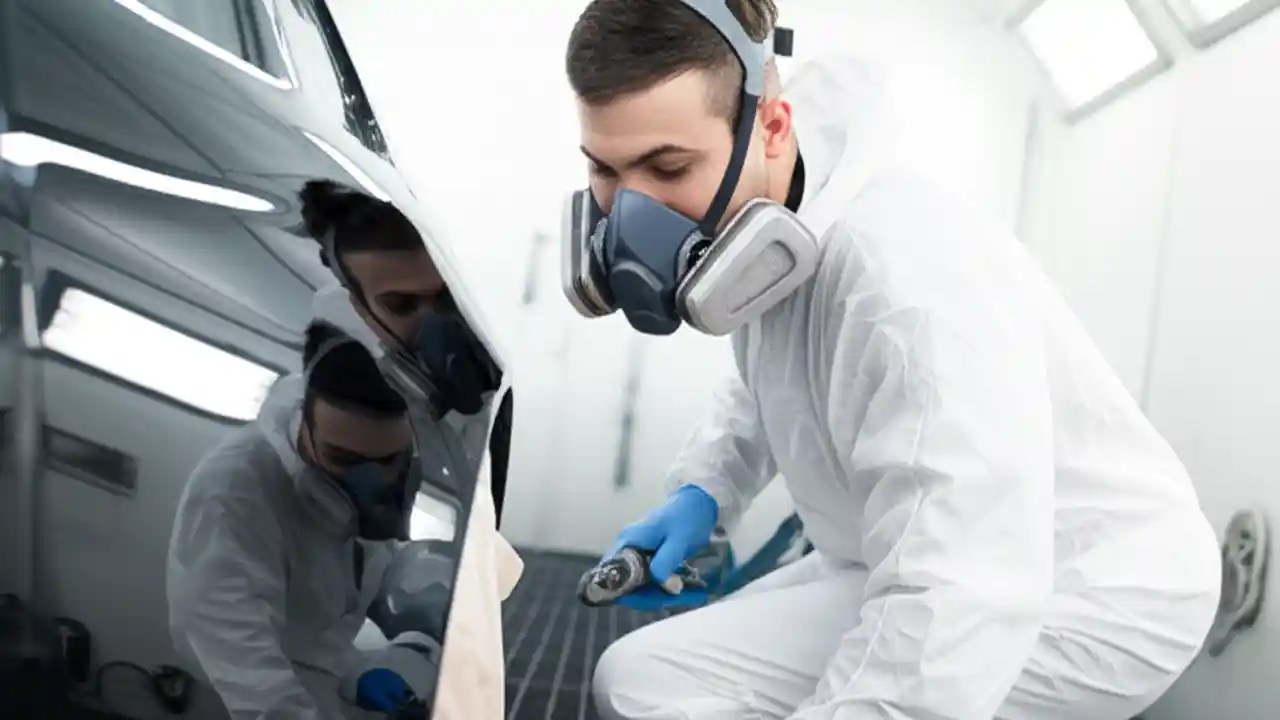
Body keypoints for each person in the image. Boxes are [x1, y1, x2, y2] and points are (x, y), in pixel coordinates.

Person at [562, 2, 1222, 719]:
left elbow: (961, 594)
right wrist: (705, 491)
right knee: (639, 681)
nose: (630, 215)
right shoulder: (773, 240)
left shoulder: (903, 284)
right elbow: (764, 385)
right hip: (902, 553)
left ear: (773, 127)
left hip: (1089, 590)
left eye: (667, 167)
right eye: (606, 170)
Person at [299, 180, 523, 720]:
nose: (437, 329)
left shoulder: (494, 328)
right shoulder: (334, 365)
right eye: (401, 306)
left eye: (445, 298)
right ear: (360, 305)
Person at [167, 322, 437, 719]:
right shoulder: (233, 489)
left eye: (388, 461)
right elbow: (240, 651)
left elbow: (325, 620)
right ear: (304, 422)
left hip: (314, 669)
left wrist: (355, 669)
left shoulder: (379, 476)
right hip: (241, 685)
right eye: (345, 459)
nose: (371, 483)